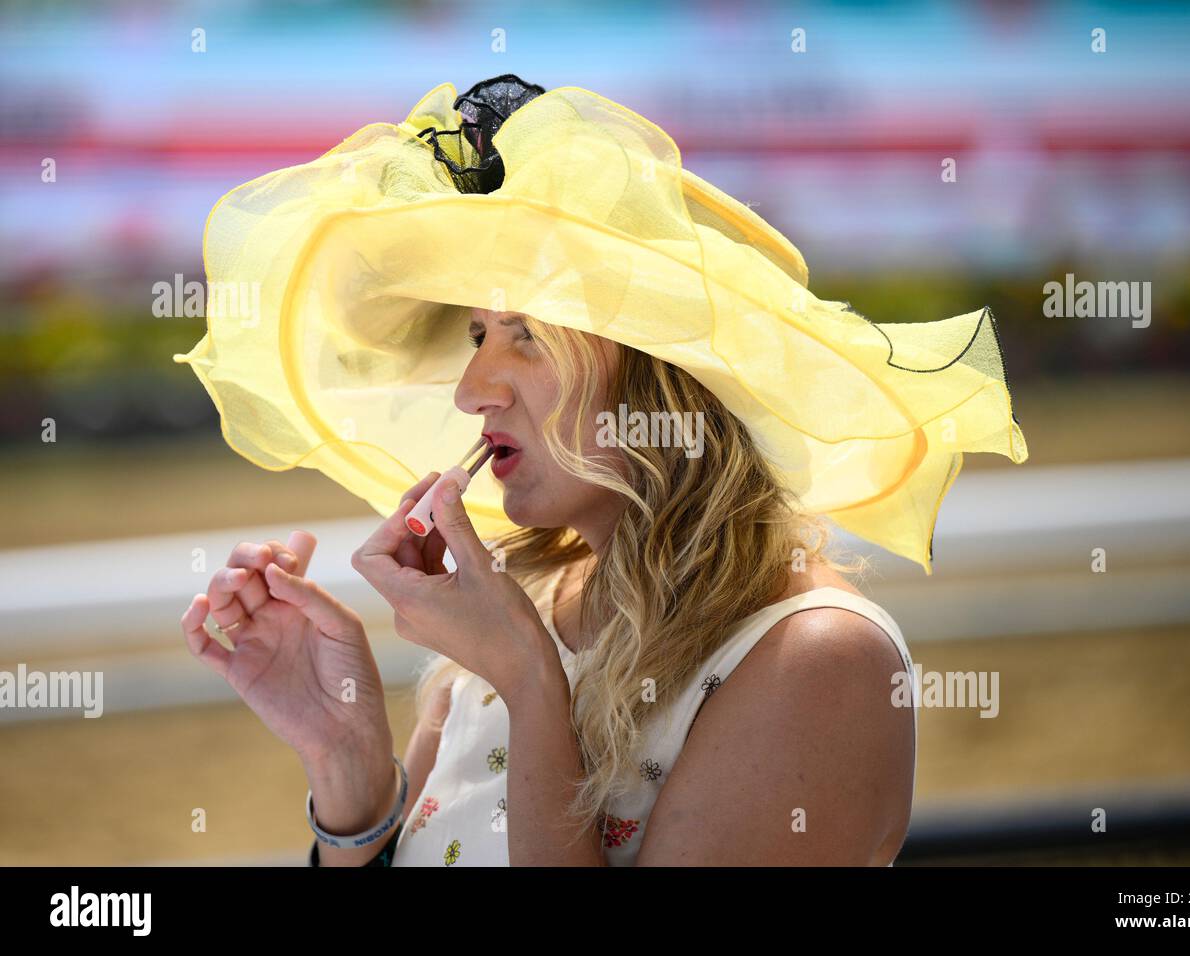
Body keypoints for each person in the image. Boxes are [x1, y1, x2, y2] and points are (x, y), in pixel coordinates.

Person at [174, 75, 1028, 866]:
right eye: (477, 336)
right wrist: (349, 765)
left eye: (528, 336)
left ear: (660, 376)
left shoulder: (818, 660)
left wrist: (531, 684)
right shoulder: (514, 619)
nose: (473, 390)